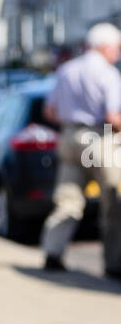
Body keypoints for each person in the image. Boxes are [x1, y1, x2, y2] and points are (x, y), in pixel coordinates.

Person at [41, 22, 121, 274]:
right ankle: (114, 264)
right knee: (112, 203)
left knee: (67, 199)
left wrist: (71, 122)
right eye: (117, 47)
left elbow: (49, 111)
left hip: (69, 137)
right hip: (98, 139)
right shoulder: (108, 73)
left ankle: (52, 253)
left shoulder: (66, 70)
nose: (118, 53)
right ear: (105, 47)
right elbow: (112, 117)